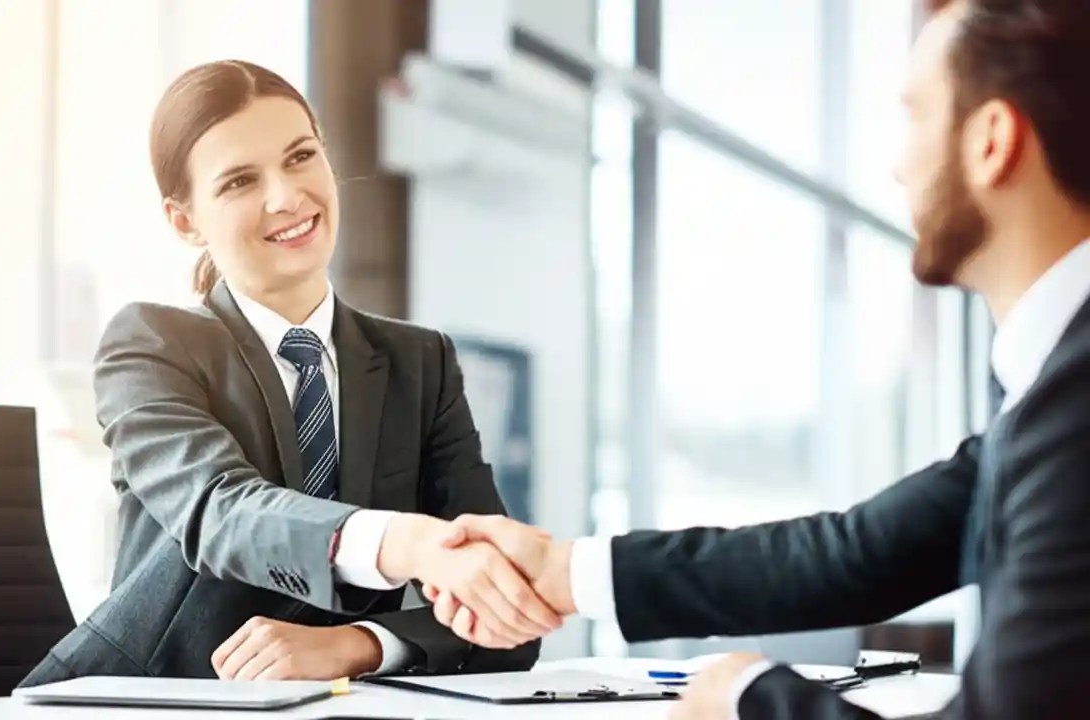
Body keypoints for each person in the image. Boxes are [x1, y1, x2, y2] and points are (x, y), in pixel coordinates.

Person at [421, 0, 1090, 717]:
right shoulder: (1052, 384)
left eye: (917, 116)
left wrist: (748, 697)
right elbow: (859, 551)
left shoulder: (1076, 406)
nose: (898, 167)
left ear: (992, 140)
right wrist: (564, 570)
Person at [20, 60, 561, 686]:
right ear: (184, 220)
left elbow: (502, 616)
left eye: (301, 157)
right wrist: (407, 542)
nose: (285, 197)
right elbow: (220, 511)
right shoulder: (152, 345)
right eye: (239, 182)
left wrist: (358, 645)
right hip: (148, 699)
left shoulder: (421, 363)